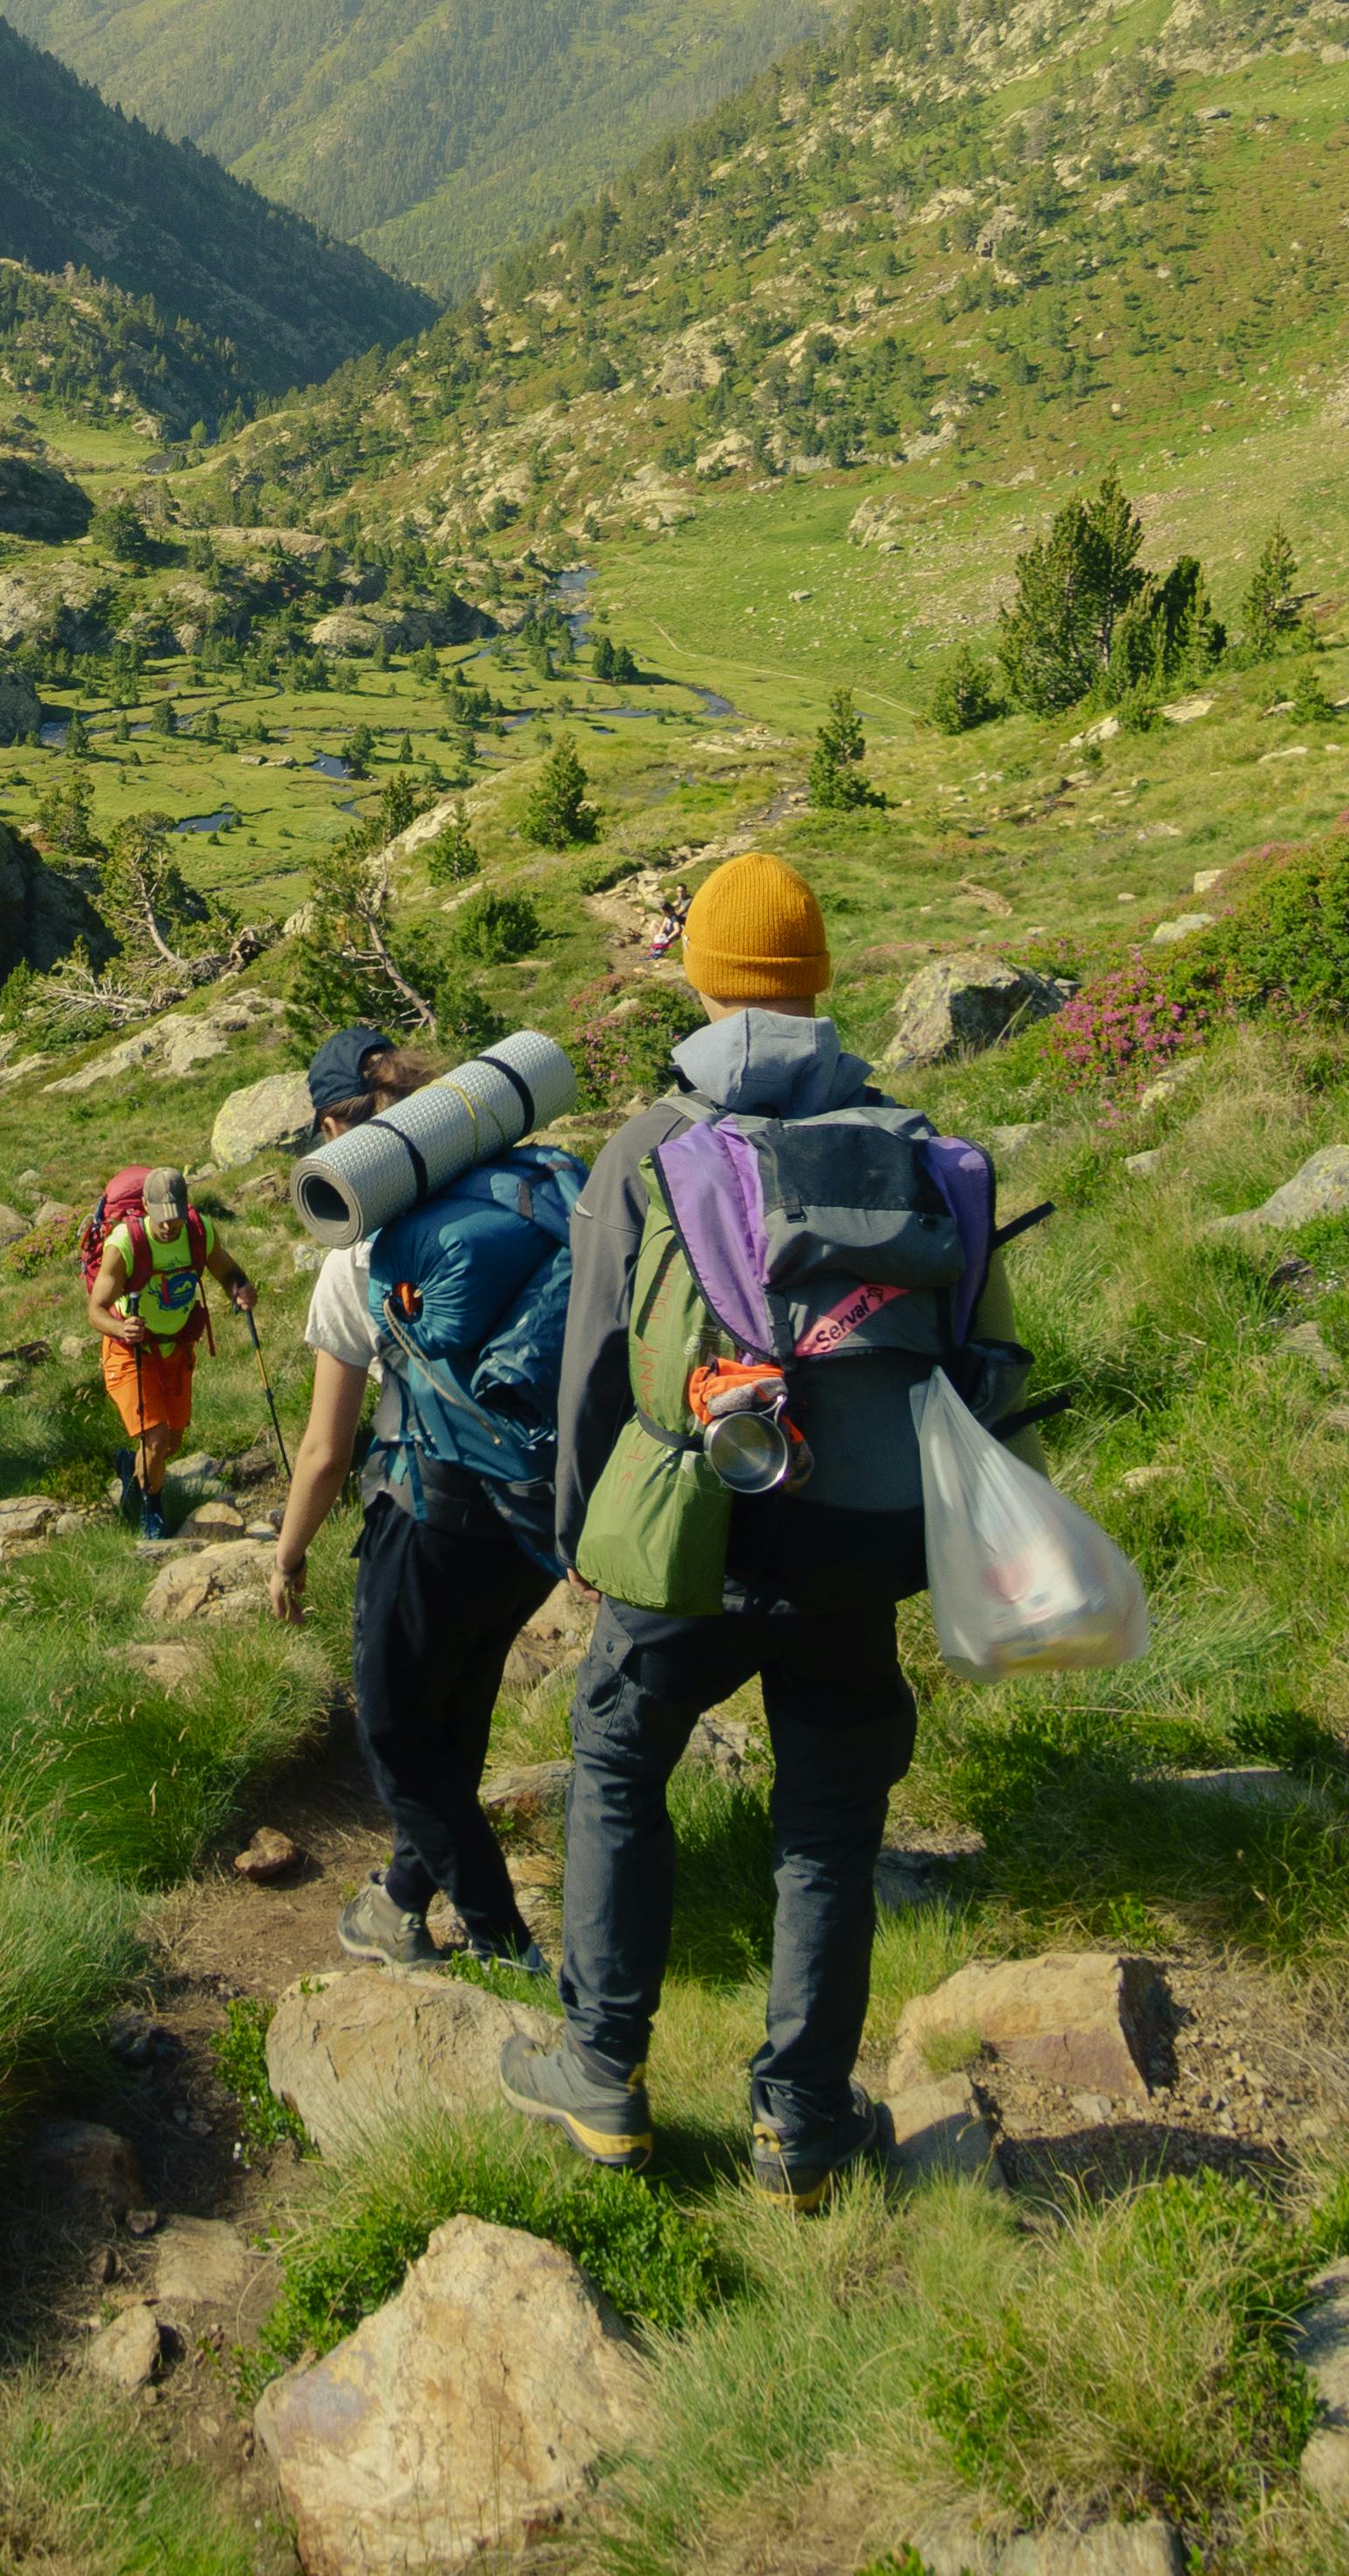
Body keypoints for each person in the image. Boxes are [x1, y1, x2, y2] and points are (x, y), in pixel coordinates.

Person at [499, 852, 1033, 2211]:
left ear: (701, 978)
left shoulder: (652, 1147)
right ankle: (800, 2119)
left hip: (693, 1538)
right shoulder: (924, 1150)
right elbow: (986, 1359)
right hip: (858, 1540)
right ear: (819, 982)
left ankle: (603, 2071)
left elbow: (596, 1366)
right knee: (830, 1819)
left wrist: (578, 1531)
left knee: (619, 1765)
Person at [270, 1022, 564, 1979]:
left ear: (332, 1126)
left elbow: (322, 1449)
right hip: (534, 1516)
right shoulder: (530, 1186)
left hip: (428, 1509)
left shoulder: (360, 1254)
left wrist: (286, 1553)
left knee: (396, 1733)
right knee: (459, 1711)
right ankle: (400, 1896)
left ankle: (500, 1941)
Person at [87, 1165, 256, 1545]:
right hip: (131, 1350)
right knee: (157, 1441)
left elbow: (228, 1271)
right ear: (145, 1206)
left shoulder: (198, 1232)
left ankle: (133, 1469)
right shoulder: (125, 1244)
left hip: (176, 1347)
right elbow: (96, 1309)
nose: (168, 1227)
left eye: (175, 1218)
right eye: (160, 1218)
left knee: (174, 1443)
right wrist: (119, 1328)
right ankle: (152, 1513)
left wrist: (240, 1290)